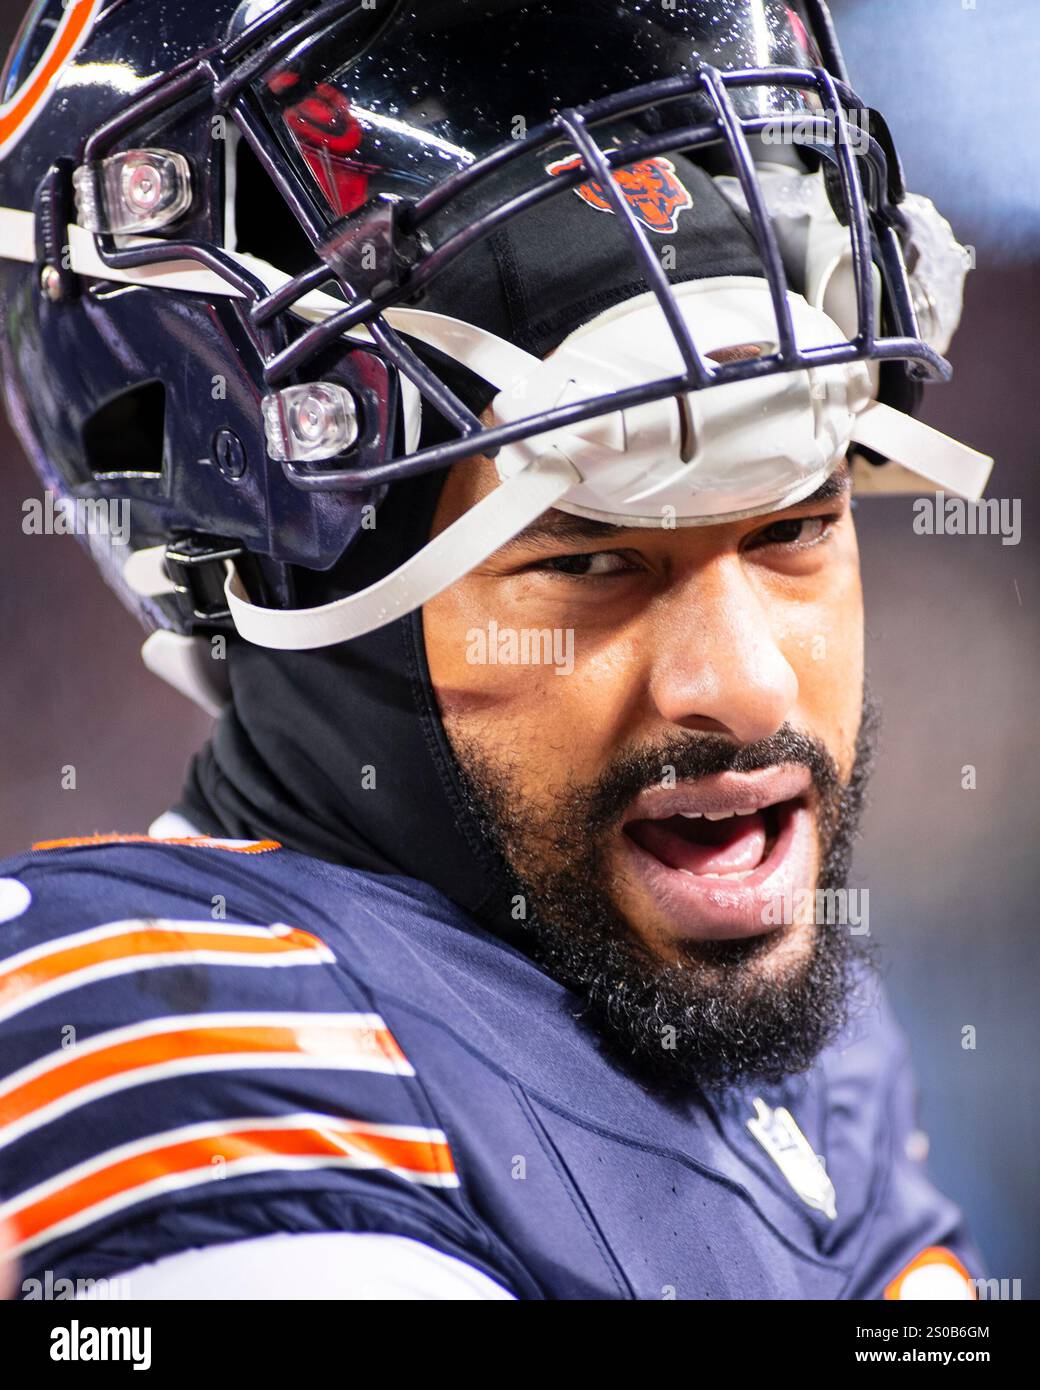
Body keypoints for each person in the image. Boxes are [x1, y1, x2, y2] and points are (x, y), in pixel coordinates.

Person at [0, 0, 990, 1299]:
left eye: (797, 524)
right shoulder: (189, 1032)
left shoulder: (789, 1032)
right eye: (588, 558)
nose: (747, 685)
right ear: (260, 545)